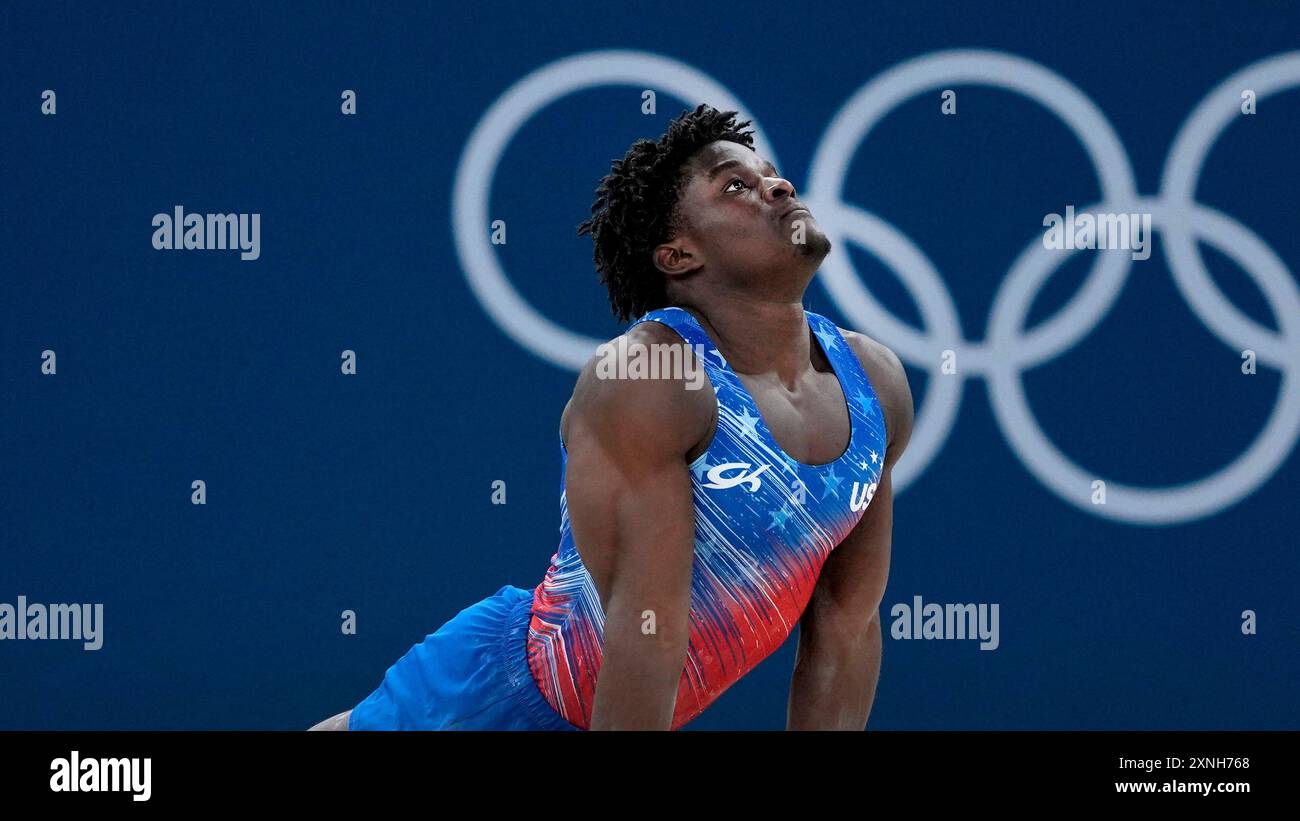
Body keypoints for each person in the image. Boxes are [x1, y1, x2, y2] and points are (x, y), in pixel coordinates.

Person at [311, 104, 913, 731]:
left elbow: (848, 626)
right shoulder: (651, 379)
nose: (779, 186)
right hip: (493, 705)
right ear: (677, 255)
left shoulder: (876, 383)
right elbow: (646, 638)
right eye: (736, 186)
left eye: (770, 175)